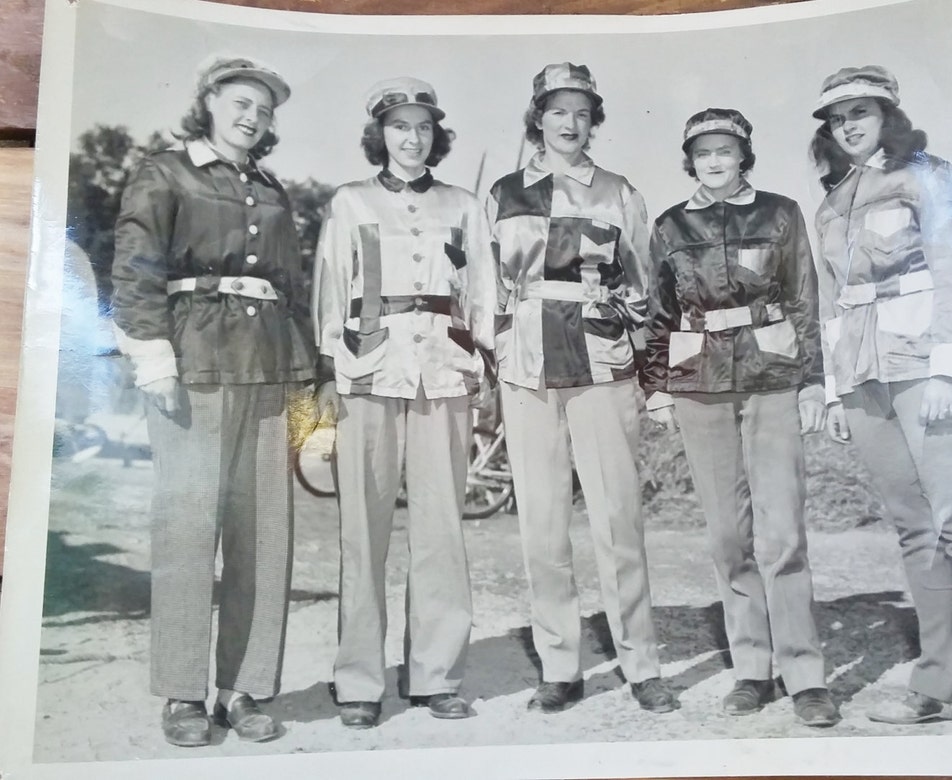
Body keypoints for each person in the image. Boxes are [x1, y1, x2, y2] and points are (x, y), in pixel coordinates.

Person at [810, 65, 952, 734]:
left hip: (927, 367)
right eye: (836, 115)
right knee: (914, 529)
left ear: (887, 115)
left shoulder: (930, 174)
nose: (848, 123)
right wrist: (837, 389)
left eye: (861, 110)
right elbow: (830, 303)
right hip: (866, 380)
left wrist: (948, 371)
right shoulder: (831, 201)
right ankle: (938, 680)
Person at [111, 56, 314, 746]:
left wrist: (308, 378)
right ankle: (182, 695)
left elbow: (292, 285)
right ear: (208, 102)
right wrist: (150, 355)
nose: (252, 116)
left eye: (264, 108)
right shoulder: (166, 171)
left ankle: (245, 688)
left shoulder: (273, 188)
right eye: (240, 102)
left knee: (264, 535)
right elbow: (136, 267)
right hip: (192, 363)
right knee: (189, 529)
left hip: (269, 369)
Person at [485, 62, 677, 714]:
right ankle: (560, 667)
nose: (569, 122)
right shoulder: (506, 192)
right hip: (527, 372)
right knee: (543, 528)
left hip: (603, 369)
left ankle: (641, 664)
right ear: (537, 116)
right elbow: (486, 293)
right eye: (556, 109)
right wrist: (496, 362)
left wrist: (650, 377)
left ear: (593, 119)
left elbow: (646, 291)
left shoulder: (620, 192)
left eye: (581, 111)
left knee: (618, 523)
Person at [641, 108, 840, 728]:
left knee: (781, 533)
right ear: (690, 159)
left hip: (772, 376)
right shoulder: (670, 225)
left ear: (743, 154)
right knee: (729, 534)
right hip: (699, 382)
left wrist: (813, 382)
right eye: (703, 151)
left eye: (726, 150)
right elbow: (659, 311)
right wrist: (656, 388)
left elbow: (805, 298)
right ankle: (753, 670)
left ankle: (804, 673)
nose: (715, 160)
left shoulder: (780, 213)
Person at [312, 77, 496, 728]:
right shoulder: (350, 203)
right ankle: (359, 680)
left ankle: (437, 674)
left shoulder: (465, 204)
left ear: (436, 135)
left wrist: (481, 357)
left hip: (443, 372)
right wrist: (336, 364)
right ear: (380, 135)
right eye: (398, 126)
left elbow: (485, 292)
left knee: (442, 528)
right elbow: (331, 290)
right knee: (363, 529)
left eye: (422, 127)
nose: (411, 138)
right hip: (371, 370)